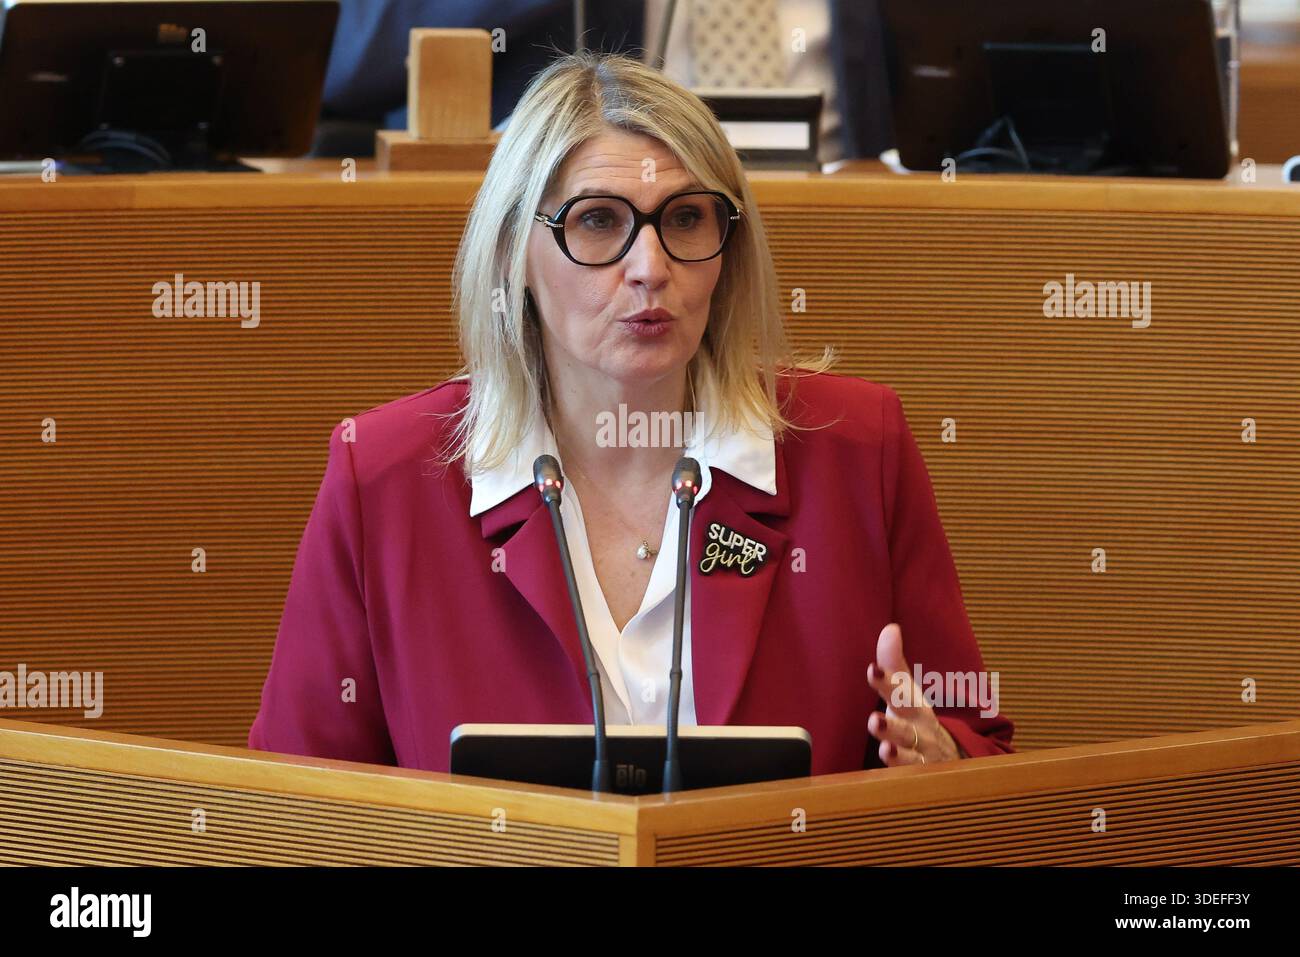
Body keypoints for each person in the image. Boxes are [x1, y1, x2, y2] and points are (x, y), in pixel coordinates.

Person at [249, 50, 1012, 776]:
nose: (650, 268)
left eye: (685, 220)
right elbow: (297, 799)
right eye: (598, 221)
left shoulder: (857, 448)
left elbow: (978, 748)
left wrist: (940, 756)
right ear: (516, 248)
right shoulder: (382, 475)